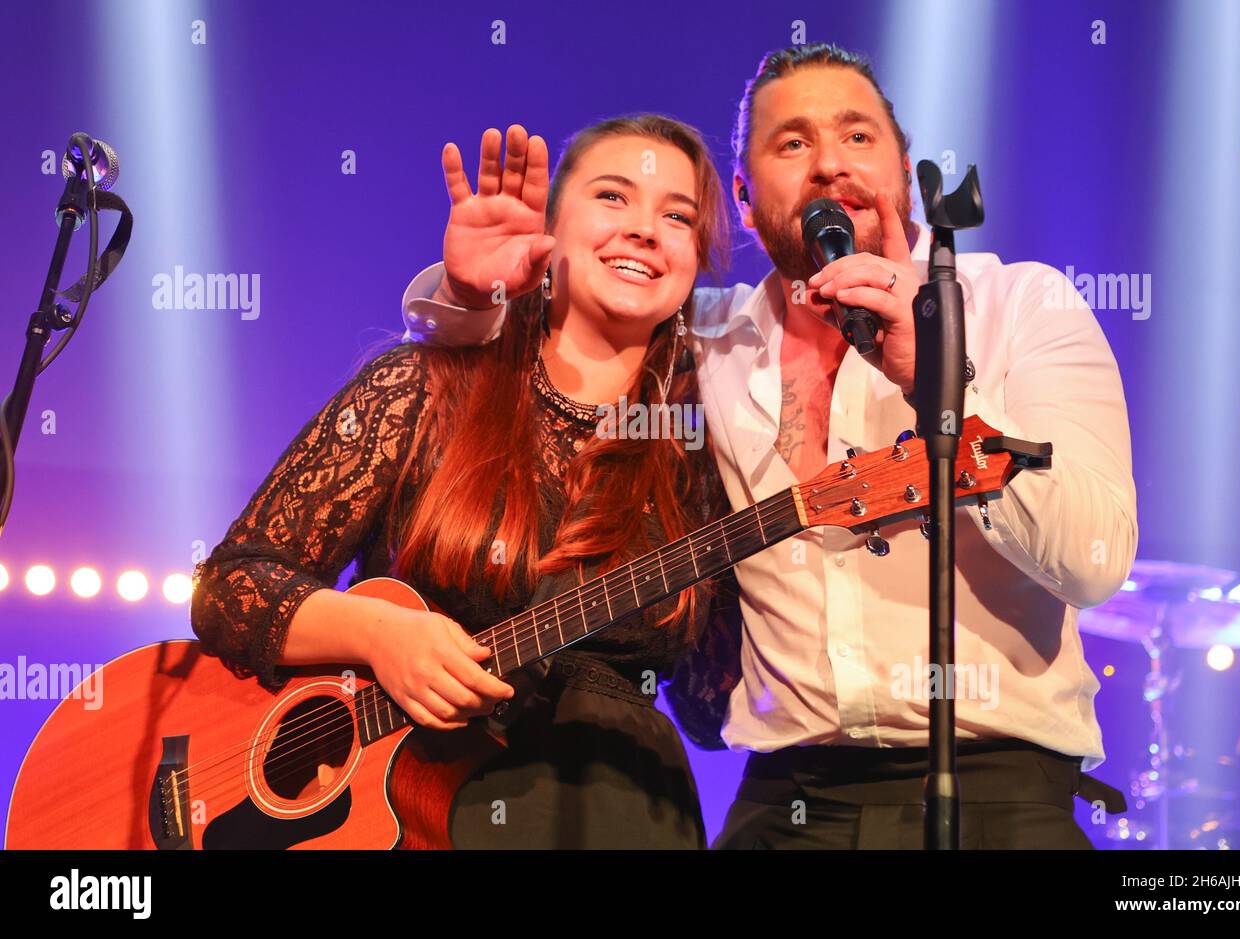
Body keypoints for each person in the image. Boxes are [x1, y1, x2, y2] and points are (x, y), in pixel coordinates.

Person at [400, 44, 1139, 849]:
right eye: (792, 143)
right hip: (783, 804)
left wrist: (940, 386)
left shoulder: (1020, 306)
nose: (828, 164)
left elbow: (1095, 559)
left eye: (858, 137)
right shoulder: (703, 338)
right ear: (746, 202)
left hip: (994, 795)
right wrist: (473, 301)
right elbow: (554, 358)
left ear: (903, 167)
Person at [191, 113, 738, 849]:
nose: (646, 228)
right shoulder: (424, 386)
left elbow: (711, 710)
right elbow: (230, 586)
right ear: (550, 228)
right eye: (613, 197)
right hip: (405, 812)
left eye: (678, 215)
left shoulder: (706, 447)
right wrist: (381, 633)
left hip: (621, 815)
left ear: (698, 255)